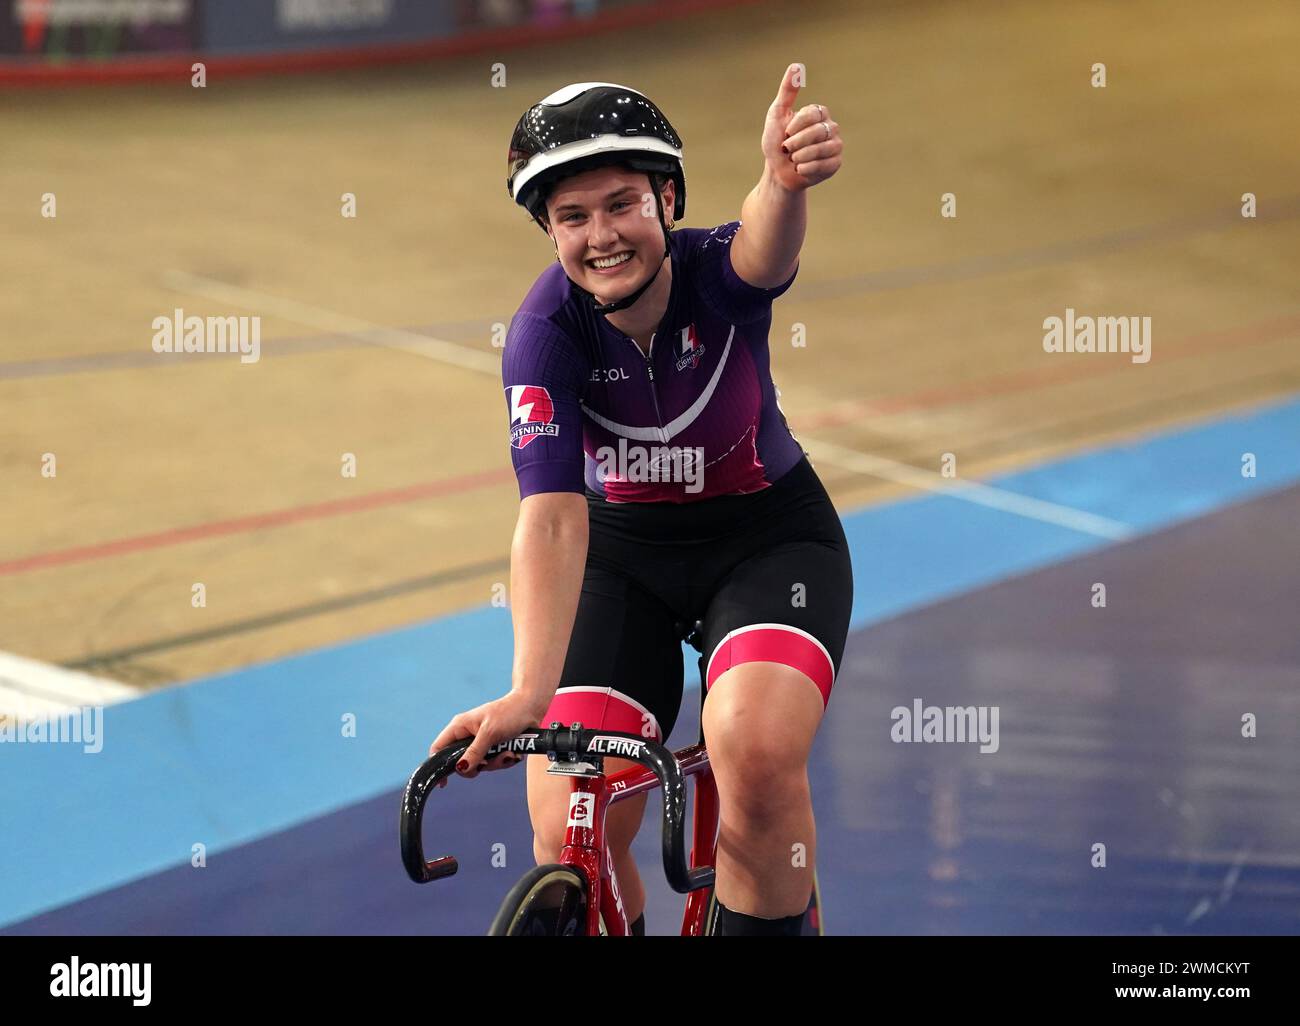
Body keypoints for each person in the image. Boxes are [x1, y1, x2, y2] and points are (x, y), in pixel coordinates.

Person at [430, 68, 850, 936]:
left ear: (668, 199)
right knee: (565, 809)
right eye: (572, 217)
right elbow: (550, 514)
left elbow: (765, 250)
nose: (601, 236)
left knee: (757, 754)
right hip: (623, 557)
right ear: (548, 231)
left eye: (621, 204)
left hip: (766, 541)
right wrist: (527, 694)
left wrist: (779, 182)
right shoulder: (543, 335)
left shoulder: (713, 275)